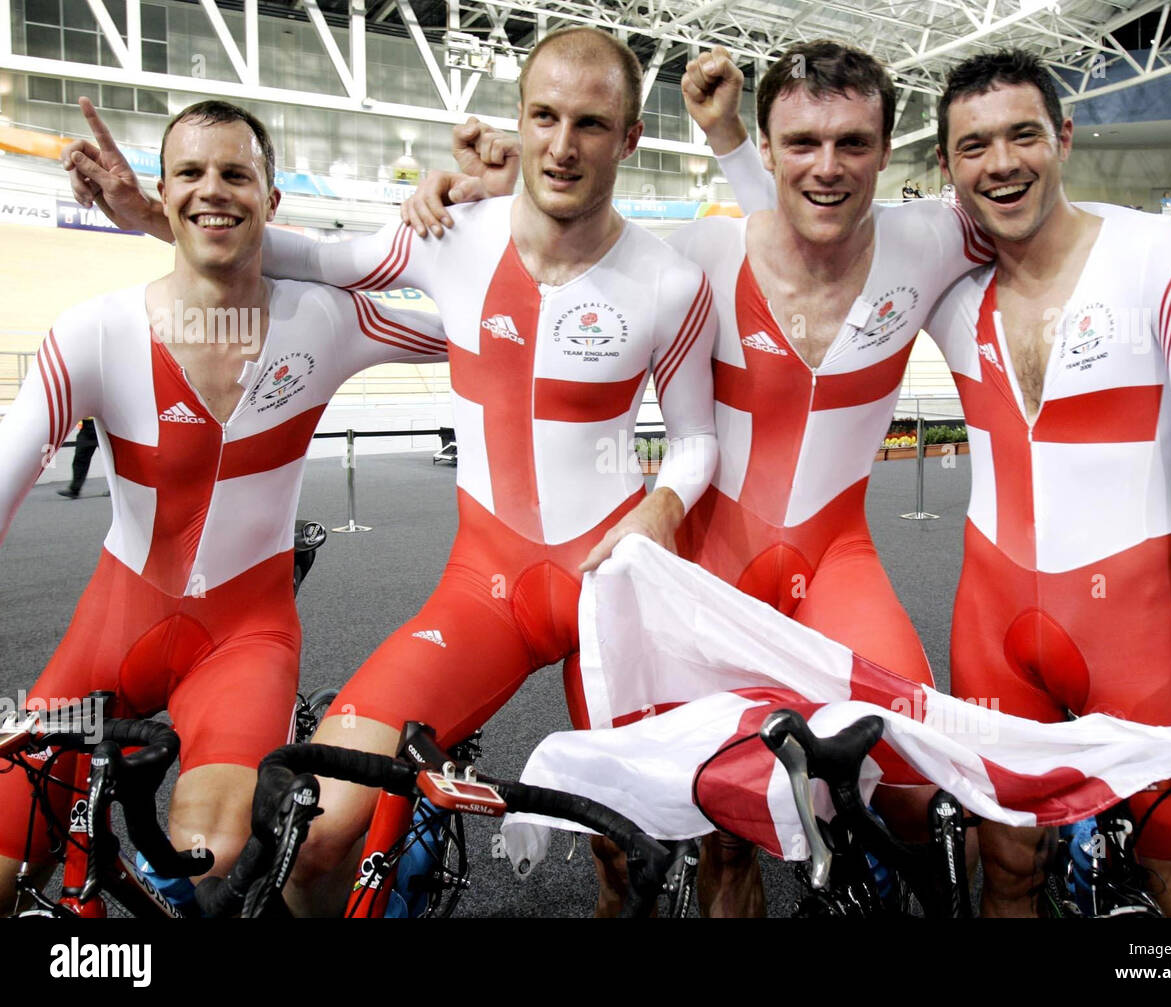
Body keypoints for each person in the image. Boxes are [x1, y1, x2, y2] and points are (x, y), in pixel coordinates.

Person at [403, 40, 1171, 917]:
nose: (829, 166)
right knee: (720, 842)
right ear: (764, 151)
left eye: (855, 144)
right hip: (711, 579)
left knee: (919, 798)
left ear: (888, 155)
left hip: (837, 564)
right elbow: (578, 229)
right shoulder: (691, 251)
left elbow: (1038, 207)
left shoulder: (929, 242)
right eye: (801, 144)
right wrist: (490, 197)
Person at [68, 27, 720, 918]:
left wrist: (663, 509)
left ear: (632, 137)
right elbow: (302, 256)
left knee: (632, 857)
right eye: (545, 117)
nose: (564, 145)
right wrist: (154, 215)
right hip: (484, 589)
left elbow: (695, 439)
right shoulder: (452, 236)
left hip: (614, 587)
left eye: (592, 125)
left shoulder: (670, 280)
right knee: (320, 825)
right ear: (518, 123)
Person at [0, 99, 448, 908]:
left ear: (273, 202)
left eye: (237, 176)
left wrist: (464, 216)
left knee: (206, 874)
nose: (214, 190)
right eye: (192, 176)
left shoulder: (326, 320)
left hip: (243, 639)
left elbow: (480, 328)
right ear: (161, 195)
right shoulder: (94, 332)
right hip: (112, 632)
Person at [923, 49, 1171, 917]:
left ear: (1066, 136)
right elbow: (802, 227)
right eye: (974, 145)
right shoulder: (946, 282)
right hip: (993, 634)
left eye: (1023, 134)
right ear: (947, 167)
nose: (1002, 162)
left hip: (1134, 637)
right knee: (1006, 879)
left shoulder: (1165, 256)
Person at [56, 417, 98, 498]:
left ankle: (118, 488)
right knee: (80, 457)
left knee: (112, 459)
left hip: (102, 424)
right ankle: (74, 490)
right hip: (87, 425)